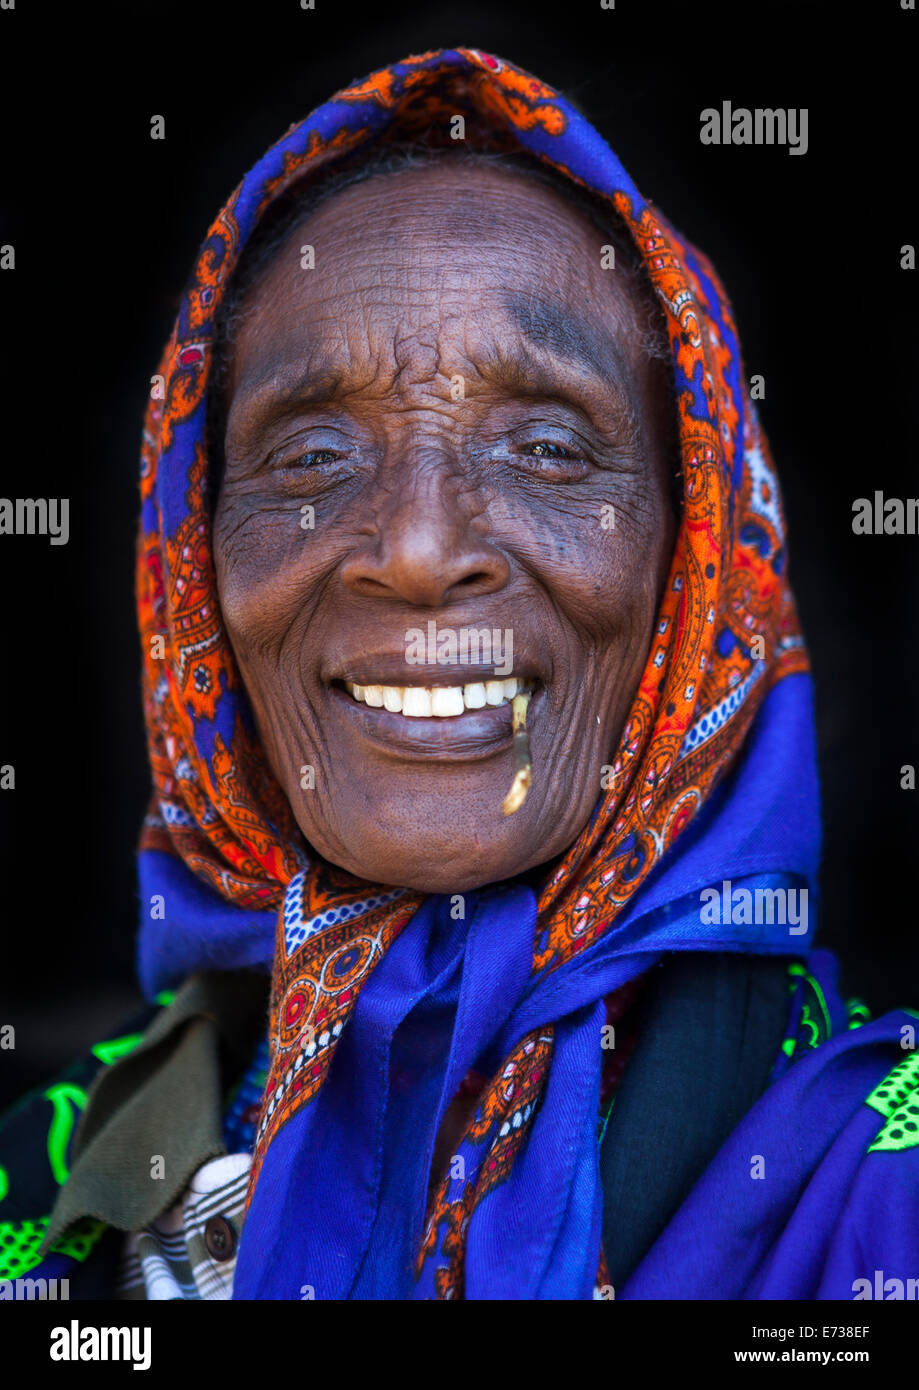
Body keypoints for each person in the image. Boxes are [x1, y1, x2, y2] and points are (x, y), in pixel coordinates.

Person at [2, 47, 917, 1302]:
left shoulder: (878, 1184)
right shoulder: (41, 1189)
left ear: (697, 570)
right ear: (192, 569)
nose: (419, 550)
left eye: (547, 448)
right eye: (311, 454)